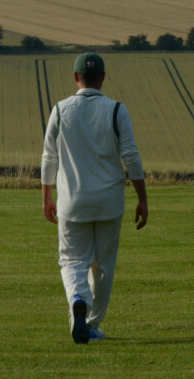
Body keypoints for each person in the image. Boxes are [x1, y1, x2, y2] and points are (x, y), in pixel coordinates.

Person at [41, 52, 148, 344]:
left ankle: (78, 298)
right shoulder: (116, 110)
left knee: (73, 261)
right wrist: (142, 199)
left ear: (76, 78)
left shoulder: (60, 110)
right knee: (103, 266)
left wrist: (47, 197)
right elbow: (132, 157)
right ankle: (91, 322)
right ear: (102, 77)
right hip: (109, 202)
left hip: (72, 203)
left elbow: (49, 157)